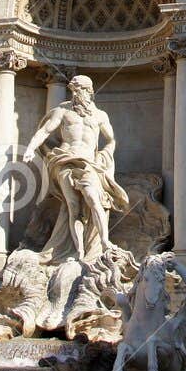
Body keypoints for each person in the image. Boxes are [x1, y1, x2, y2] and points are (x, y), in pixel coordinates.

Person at [24, 74, 129, 262]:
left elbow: (111, 140)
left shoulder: (100, 115)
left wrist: (104, 157)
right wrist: (31, 148)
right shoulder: (62, 111)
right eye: (73, 89)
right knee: (73, 206)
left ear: (88, 91)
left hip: (88, 163)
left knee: (94, 199)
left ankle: (104, 242)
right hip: (65, 160)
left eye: (78, 89)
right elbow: (45, 131)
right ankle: (78, 250)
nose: (74, 93)